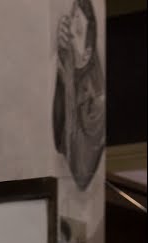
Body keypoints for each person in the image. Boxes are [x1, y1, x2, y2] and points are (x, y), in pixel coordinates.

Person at [53, 0, 105, 191]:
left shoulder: (96, 106)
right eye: (71, 21)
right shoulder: (65, 73)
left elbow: (80, 174)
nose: (70, 32)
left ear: (87, 54)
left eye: (79, 31)